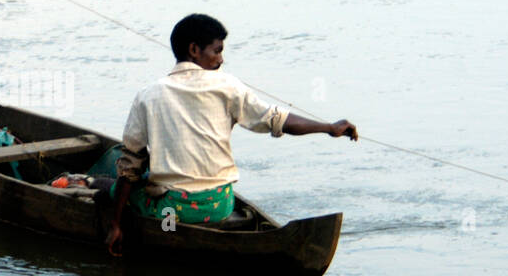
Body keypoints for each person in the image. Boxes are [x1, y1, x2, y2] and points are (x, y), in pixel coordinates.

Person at [105, 13, 357, 256]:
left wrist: (115, 225)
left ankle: (163, 233)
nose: (221, 59)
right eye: (217, 51)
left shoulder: (148, 95)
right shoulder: (228, 87)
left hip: (173, 211)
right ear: (194, 50)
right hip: (219, 205)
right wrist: (328, 128)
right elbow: (278, 120)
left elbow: (130, 167)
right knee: (145, 182)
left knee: (116, 190)